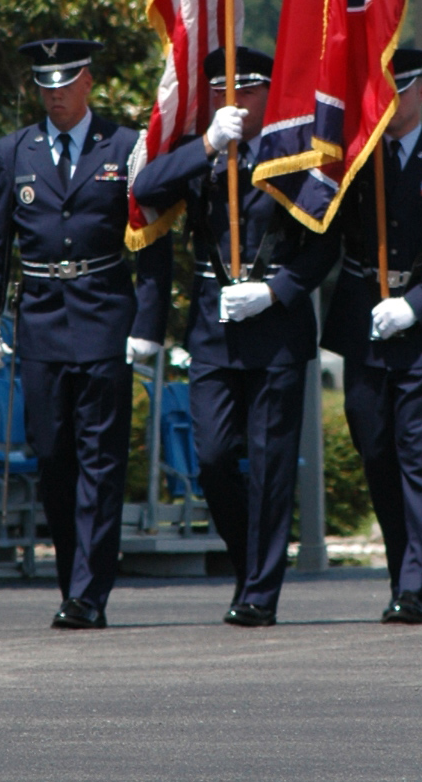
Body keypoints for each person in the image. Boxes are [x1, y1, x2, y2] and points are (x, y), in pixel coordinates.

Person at [129, 46, 340, 627]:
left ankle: (259, 593)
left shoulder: (297, 152)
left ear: (270, 92)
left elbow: (326, 243)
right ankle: (250, 564)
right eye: (223, 92)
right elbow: (145, 189)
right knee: (214, 457)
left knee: (271, 466)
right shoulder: (205, 151)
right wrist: (206, 145)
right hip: (214, 326)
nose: (235, 102)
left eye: (246, 90)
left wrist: (277, 291)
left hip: (275, 325)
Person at [0, 37, 170, 631]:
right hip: (41, 322)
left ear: (87, 82)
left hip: (105, 316)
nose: (53, 96)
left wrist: (148, 324)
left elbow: (153, 244)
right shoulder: (16, 151)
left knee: (101, 461)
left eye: (64, 84)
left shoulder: (125, 148)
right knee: (53, 455)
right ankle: (71, 580)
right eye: (44, 86)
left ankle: (87, 593)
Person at [322, 48, 422, 623]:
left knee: (421, 460)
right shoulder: (353, 161)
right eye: (382, 86)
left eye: (403, 86)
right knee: (377, 454)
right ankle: (401, 573)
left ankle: (417, 588)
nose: (391, 98)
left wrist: (416, 305)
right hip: (364, 326)